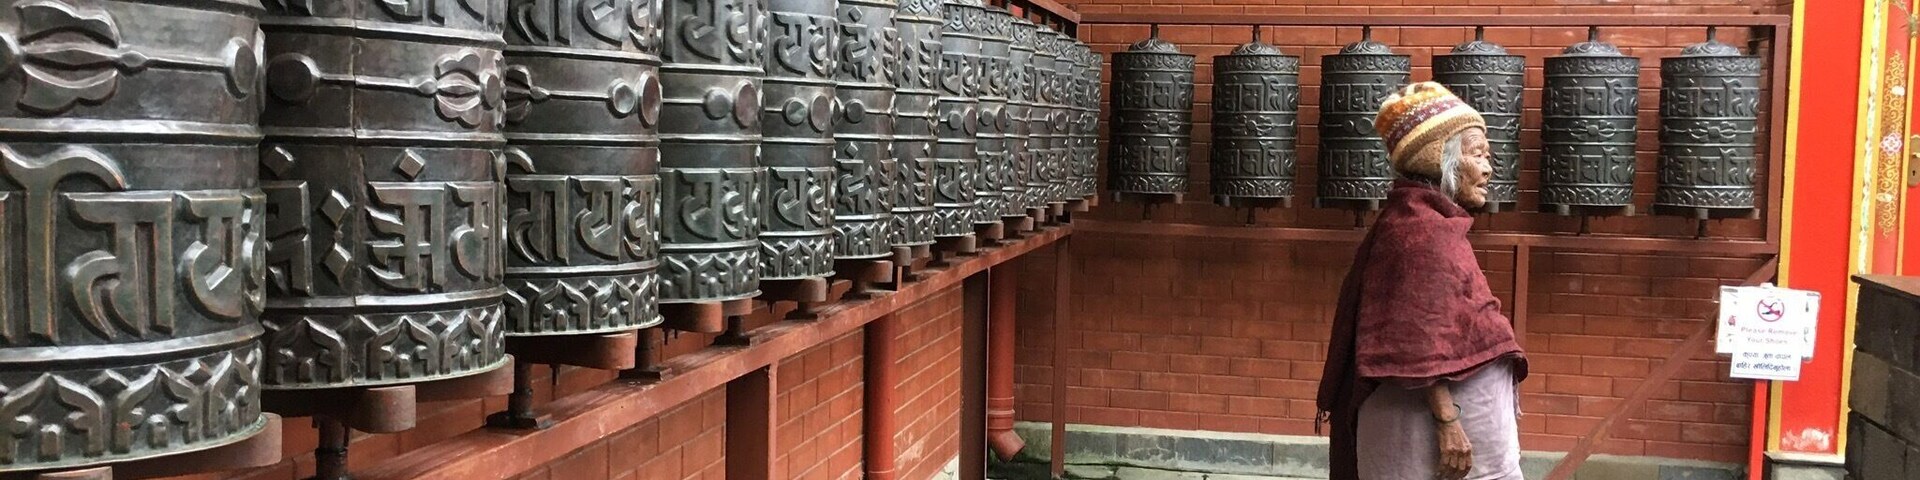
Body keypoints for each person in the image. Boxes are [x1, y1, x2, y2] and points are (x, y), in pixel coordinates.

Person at [1315, 82, 1529, 480]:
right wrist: (1447, 423)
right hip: (1429, 430)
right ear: (1441, 161)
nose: (1488, 168)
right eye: (1477, 154)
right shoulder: (1419, 231)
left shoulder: (1422, 222)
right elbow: (1413, 338)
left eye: (1488, 156)